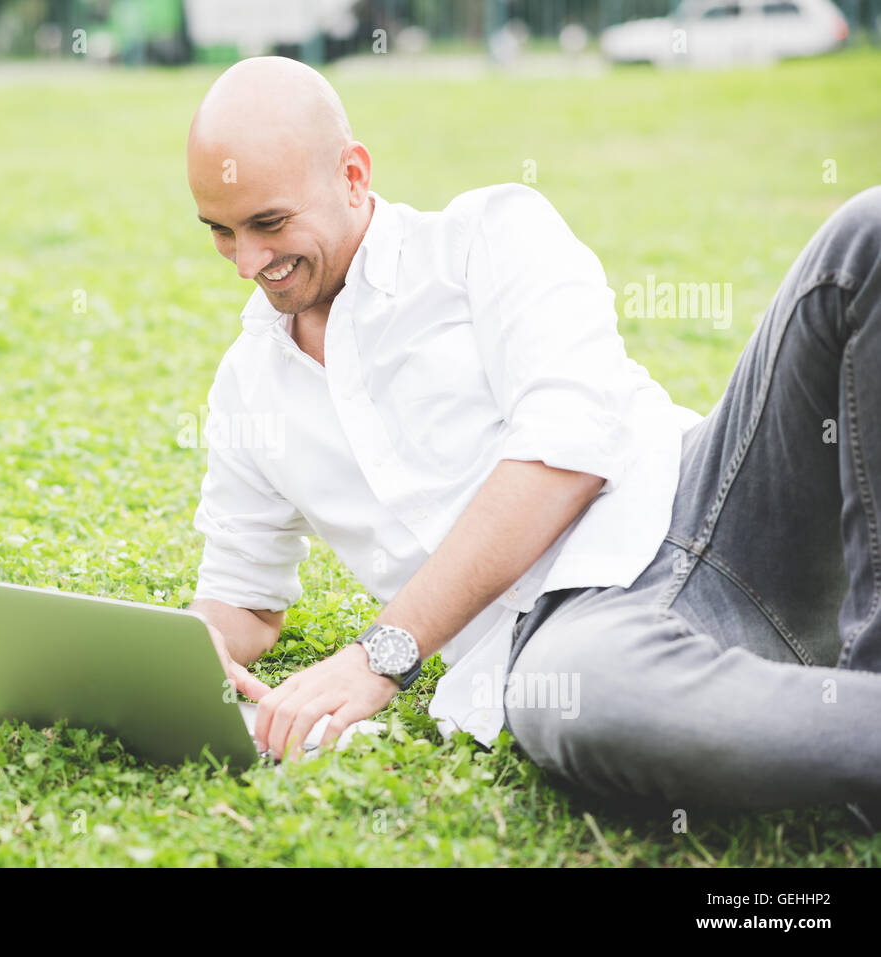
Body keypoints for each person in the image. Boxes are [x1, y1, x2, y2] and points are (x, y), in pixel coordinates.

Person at [182, 56, 881, 826]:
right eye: (221, 232)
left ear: (352, 175)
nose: (248, 263)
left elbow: (566, 456)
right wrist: (188, 652)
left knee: (864, 237)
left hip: (710, 500)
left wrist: (381, 653)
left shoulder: (490, 235)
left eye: (269, 224)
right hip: (576, 635)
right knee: (583, 699)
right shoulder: (250, 386)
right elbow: (242, 595)